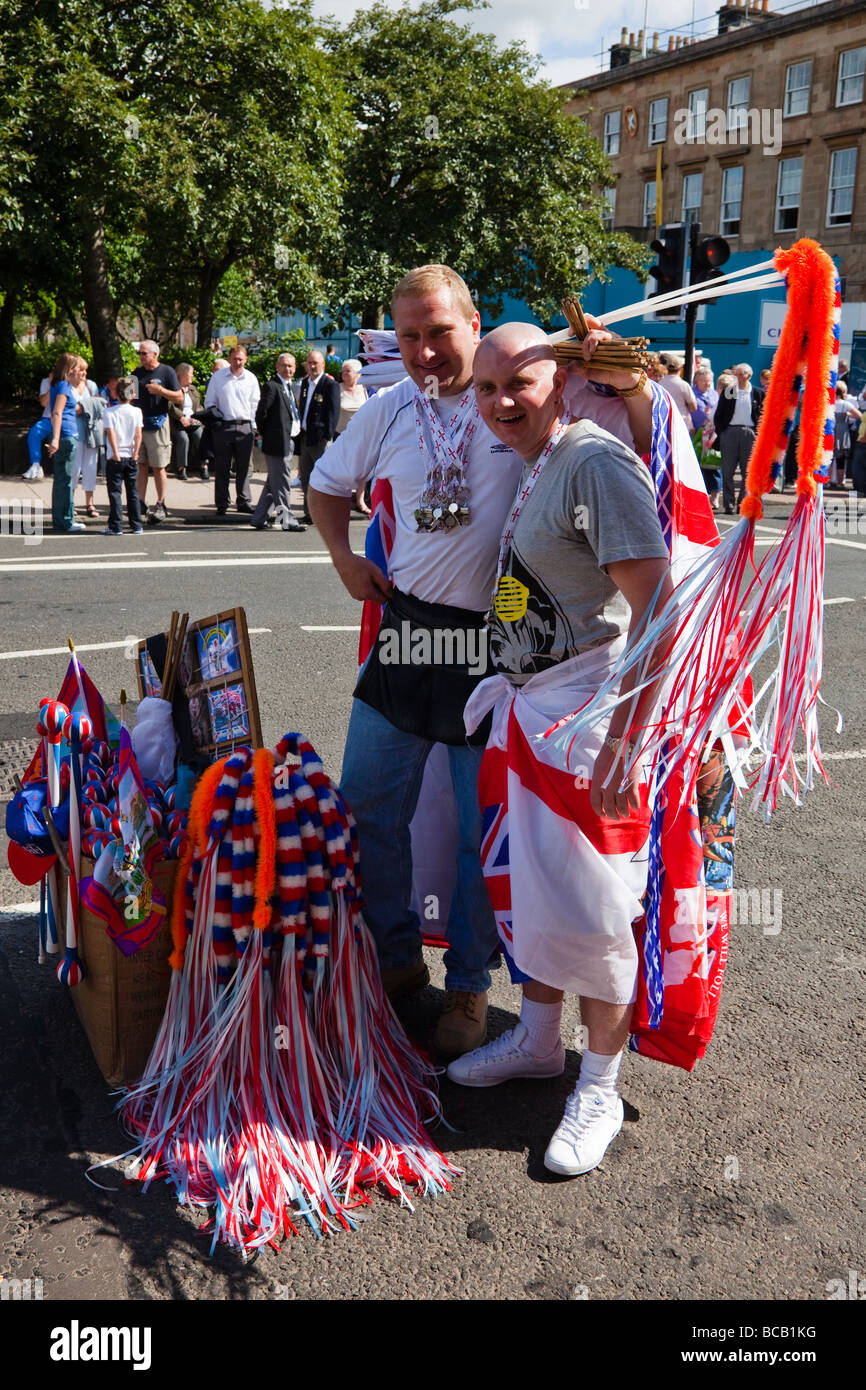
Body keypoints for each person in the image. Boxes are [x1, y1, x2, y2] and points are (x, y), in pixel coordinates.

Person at [308, 264, 653, 1057]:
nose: (426, 351)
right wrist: (340, 557)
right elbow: (327, 487)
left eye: (439, 331)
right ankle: (396, 964)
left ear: (472, 322)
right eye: (410, 336)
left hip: (494, 651)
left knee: (478, 831)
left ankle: (470, 985)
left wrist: (629, 377)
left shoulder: (528, 396)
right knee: (366, 810)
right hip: (407, 635)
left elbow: (648, 436)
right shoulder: (391, 410)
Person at [445, 323, 672, 1179]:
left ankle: (601, 1085)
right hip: (534, 715)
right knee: (536, 897)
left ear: (561, 381)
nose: (502, 402)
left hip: (589, 723)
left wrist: (626, 736)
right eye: (487, 388)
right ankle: (539, 1043)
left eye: (519, 384)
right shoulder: (543, 458)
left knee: (600, 911)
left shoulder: (592, 461)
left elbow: (659, 608)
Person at [251, 352, 306, 531]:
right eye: (283, 365)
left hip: (288, 440)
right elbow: (261, 415)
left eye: (290, 366)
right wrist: (267, 435)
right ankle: (286, 519)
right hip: (277, 442)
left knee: (273, 482)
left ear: (295, 368)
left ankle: (259, 518)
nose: (287, 369)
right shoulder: (271, 386)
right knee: (282, 482)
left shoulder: (289, 387)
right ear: (277, 367)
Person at [203, 344, 260, 515]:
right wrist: (216, 422)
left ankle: (243, 501)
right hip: (224, 426)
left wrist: (254, 428)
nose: (238, 362)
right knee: (222, 467)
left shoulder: (251, 378)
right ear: (229, 359)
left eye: (241, 359)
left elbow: (255, 405)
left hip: (245, 426)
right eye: (235, 359)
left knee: (244, 468)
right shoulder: (218, 377)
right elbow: (209, 402)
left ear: (246, 359)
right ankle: (222, 503)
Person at [133, 340, 183, 521]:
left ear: (155, 354)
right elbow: (129, 399)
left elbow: (179, 397)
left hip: (158, 424)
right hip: (140, 425)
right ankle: (140, 502)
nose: (140, 356)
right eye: (139, 353)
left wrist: (160, 390)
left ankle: (161, 503)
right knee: (141, 465)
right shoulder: (136, 373)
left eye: (143, 353)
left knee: (159, 467)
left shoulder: (166, 371)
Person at [712, 362, 763, 513]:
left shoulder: (757, 393)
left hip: (750, 433)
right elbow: (719, 415)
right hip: (730, 432)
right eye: (737, 374)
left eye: (742, 374)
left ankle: (742, 501)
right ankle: (728, 503)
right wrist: (723, 432)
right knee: (728, 469)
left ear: (749, 376)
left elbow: (763, 415)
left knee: (747, 470)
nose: (738, 377)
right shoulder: (730, 391)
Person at [297, 349, 340, 524]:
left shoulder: (330, 385)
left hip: (320, 439)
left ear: (323, 364)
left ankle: (326, 514)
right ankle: (310, 514)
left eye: (315, 363)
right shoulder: (305, 383)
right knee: (306, 478)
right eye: (310, 363)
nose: (312, 366)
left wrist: (327, 436)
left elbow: (333, 412)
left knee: (324, 478)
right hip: (305, 436)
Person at [45, 353, 87, 534]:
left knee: (62, 480)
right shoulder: (63, 386)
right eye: (79, 369)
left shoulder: (57, 384)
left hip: (65, 436)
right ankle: (66, 520)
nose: (82, 372)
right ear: (70, 369)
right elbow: (57, 412)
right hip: (66, 437)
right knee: (66, 481)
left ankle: (61, 519)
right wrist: (55, 439)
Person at [103, 377, 144, 535]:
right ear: (132, 395)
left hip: (115, 456)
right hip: (131, 456)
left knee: (115, 492)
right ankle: (136, 525)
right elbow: (138, 434)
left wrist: (115, 452)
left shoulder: (109, 412)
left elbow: (111, 433)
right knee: (133, 492)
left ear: (116, 394)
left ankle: (116, 526)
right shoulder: (136, 412)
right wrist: (135, 453)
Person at [337, 358, 371, 515]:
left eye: (348, 371)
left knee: (362, 470)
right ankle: (343, 500)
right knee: (344, 470)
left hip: (362, 437)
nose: (344, 373)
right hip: (341, 436)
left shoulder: (365, 389)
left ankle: (360, 500)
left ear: (357, 374)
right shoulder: (337, 389)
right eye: (343, 371)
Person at [72, 359, 105, 517]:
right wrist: (87, 405)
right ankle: (69, 503)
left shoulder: (91, 385)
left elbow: (99, 404)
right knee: (73, 469)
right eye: (81, 370)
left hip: (92, 432)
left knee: (91, 468)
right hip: (74, 432)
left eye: (85, 370)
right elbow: (71, 410)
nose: (84, 374)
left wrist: (83, 406)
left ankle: (89, 503)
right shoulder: (67, 386)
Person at [691, 366, 721, 509]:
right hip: (695, 434)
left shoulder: (714, 394)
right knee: (697, 465)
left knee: (713, 464)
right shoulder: (691, 392)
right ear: (697, 381)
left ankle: (715, 495)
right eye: (704, 381)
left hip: (711, 435)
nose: (708, 384)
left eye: (710, 381)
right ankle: (701, 494)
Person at [170, 364, 203, 481]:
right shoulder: (173, 388)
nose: (192, 376)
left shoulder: (193, 389)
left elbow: (199, 406)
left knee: (200, 435)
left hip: (193, 421)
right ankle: (181, 468)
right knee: (183, 439)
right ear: (183, 375)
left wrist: (197, 416)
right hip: (178, 422)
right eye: (190, 374)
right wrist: (181, 417)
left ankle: (204, 465)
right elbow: (170, 406)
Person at [657, 352, 697, 426]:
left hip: (665, 421)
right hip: (682, 422)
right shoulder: (684, 385)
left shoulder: (659, 384)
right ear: (681, 368)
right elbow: (693, 407)